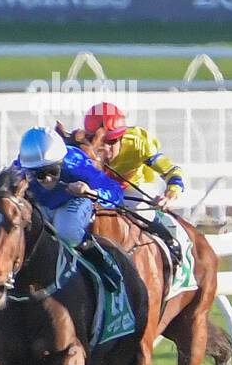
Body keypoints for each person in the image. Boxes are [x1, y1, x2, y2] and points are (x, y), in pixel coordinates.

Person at [14, 125, 125, 292]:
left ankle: (105, 264)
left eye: (52, 170)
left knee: (67, 231)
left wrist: (90, 192)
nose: (47, 178)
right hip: (41, 205)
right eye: (39, 174)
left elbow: (115, 192)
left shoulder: (76, 163)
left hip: (73, 200)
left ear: (61, 162)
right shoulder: (19, 168)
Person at [83, 102, 184, 265]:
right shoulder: (83, 149)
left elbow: (172, 171)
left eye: (112, 142)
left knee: (145, 216)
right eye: (101, 142)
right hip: (100, 190)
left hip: (132, 187)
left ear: (122, 137)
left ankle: (170, 247)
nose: (106, 150)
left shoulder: (139, 144)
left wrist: (170, 194)